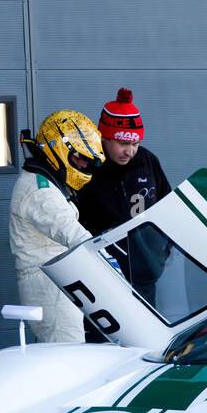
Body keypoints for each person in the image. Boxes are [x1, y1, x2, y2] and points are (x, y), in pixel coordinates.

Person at [8, 109, 105, 342]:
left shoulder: (43, 181)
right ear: (58, 150)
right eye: (78, 158)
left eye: (86, 160)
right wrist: (108, 259)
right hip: (49, 286)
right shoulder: (40, 191)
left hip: (55, 280)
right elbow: (74, 234)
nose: (82, 165)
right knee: (66, 361)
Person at [76, 89, 173, 317]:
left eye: (136, 144)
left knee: (143, 339)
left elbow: (168, 206)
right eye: (122, 143)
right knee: (102, 342)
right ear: (104, 137)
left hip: (144, 275)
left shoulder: (147, 161)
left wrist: (160, 254)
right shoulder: (85, 166)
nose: (129, 151)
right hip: (100, 277)